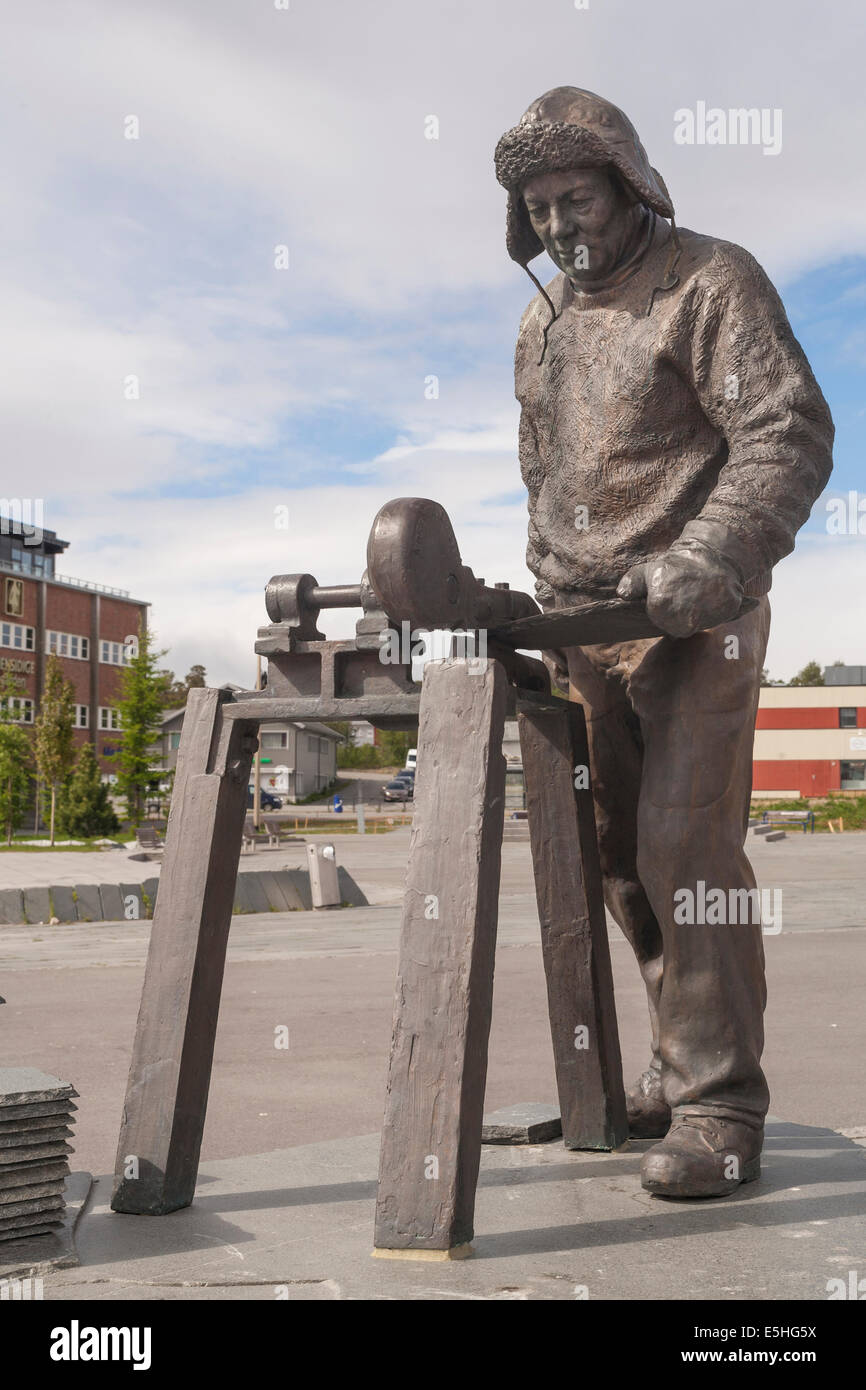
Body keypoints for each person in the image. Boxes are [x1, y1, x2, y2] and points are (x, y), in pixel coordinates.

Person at [495, 87, 834, 1197]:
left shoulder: (708, 281)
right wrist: (541, 584)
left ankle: (722, 1103)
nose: (557, 224)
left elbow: (784, 427)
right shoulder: (540, 326)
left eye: (574, 195)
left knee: (687, 854)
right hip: (582, 627)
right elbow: (545, 473)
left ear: (630, 183)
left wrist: (714, 553)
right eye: (536, 206)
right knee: (611, 859)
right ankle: (669, 1066)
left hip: (697, 619)